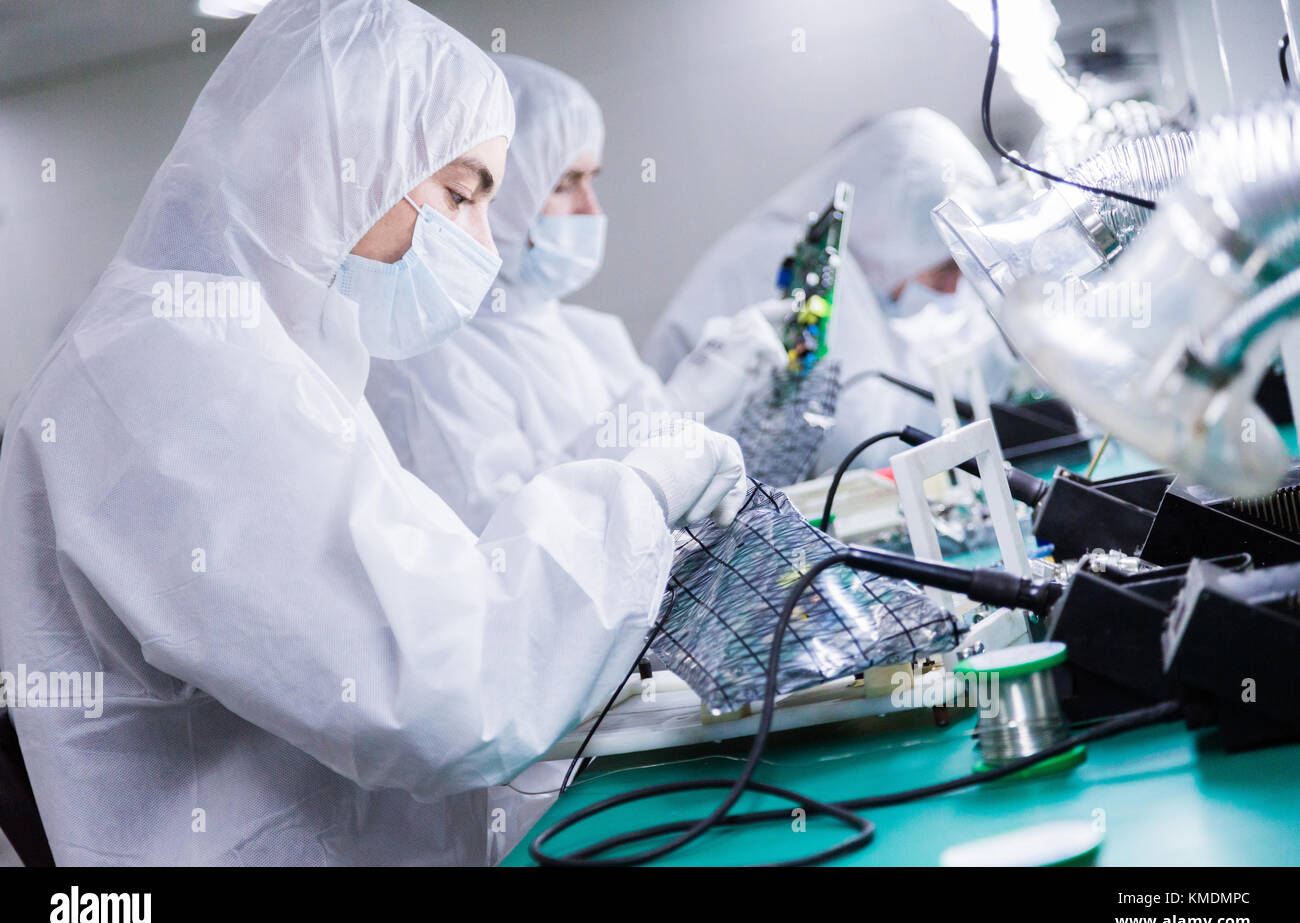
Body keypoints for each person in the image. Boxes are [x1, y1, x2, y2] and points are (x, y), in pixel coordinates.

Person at [0, 0, 749, 866]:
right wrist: (639, 492)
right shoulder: (167, 374)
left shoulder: (267, 355)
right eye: (460, 194)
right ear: (343, 160)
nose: (482, 242)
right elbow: (445, 692)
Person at [367, 55, 787, 535]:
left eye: (591, 180)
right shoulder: (426, 357)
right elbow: (512, 537)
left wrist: (725, 388)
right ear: (499, 191)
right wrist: (680, 401)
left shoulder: (586, 334)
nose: (591, 210)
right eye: (565, 184)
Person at [645, 109, 1017, 473]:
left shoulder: (837, 260)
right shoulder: (792, 258)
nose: (952, 290)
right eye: (944, 268)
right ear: (890, 230)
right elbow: (865, 447)